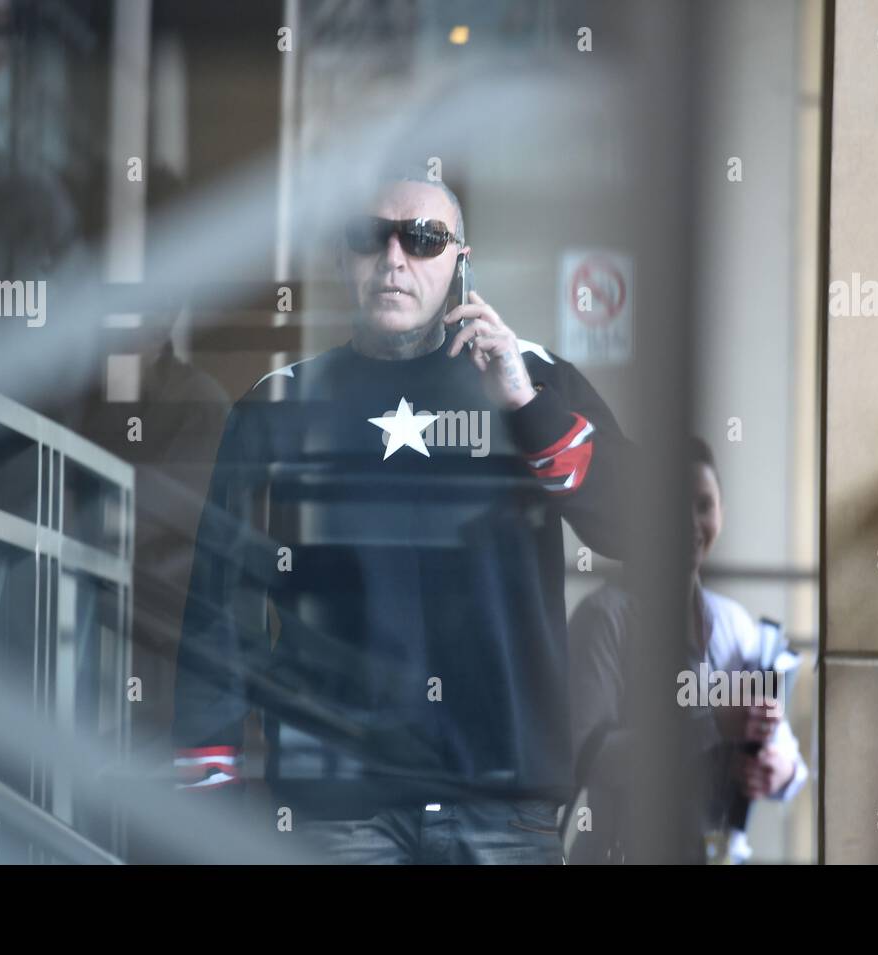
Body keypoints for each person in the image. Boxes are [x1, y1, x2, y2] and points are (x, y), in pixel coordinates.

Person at [171, 171, 636, 863]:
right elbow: (222, 611)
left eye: (423, 239)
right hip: (338, 812)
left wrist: (526, 407)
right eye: (370, 237)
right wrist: (208, 786)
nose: (394, 259)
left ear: (460, 260)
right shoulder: (279, 405)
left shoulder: (534, 376)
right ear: (341, 257)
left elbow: (630, 526)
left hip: (505, 806)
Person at [568, 437, 807, 863]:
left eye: (703, 505)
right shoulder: (605, 618)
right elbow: (588, 760)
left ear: (723, 514)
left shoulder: (734, 621)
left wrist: (776, 768)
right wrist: (712, 723)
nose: (692, 524)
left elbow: (787, 753)